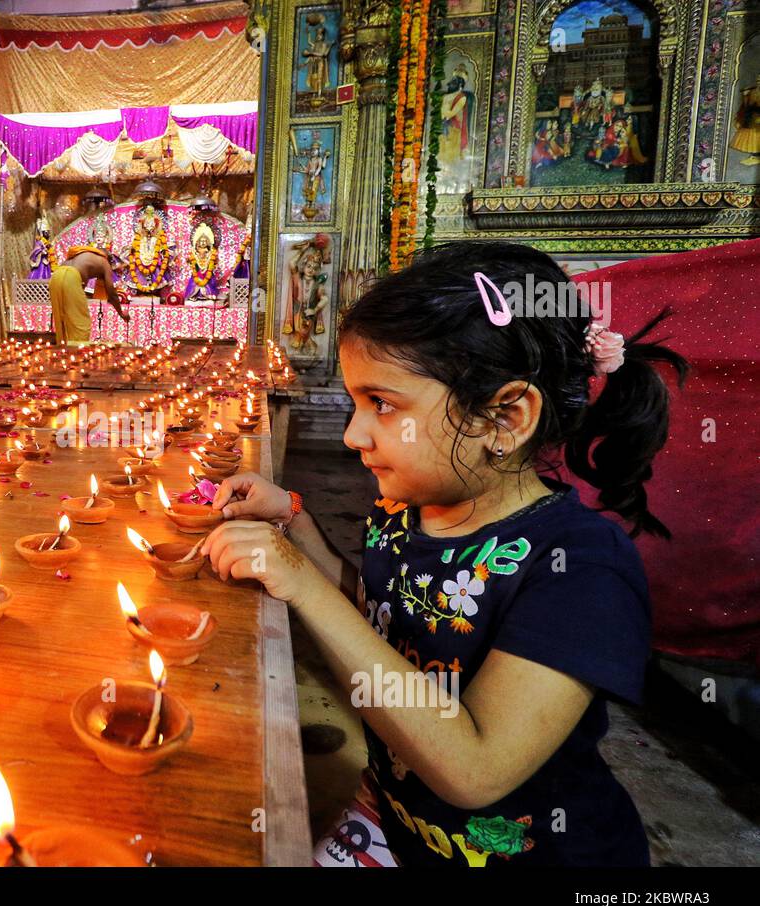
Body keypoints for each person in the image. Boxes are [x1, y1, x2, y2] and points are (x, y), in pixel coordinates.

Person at [200, 241, 689, 866]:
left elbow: (474, 769)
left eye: (382, 404)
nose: (354, 435)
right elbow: (377, 619)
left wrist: (301, 581)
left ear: (504, 418)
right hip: (397, 820)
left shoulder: (580, 567)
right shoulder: (407, 512)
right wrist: (294, 526)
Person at [48, 245, 127, 344]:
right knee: (82, 323)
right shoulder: (104, 262)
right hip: (70, 277)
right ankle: (78, 352)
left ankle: (64, 350)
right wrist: (121, 313)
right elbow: (111, 293)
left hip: (55, 276)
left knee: (63, 320)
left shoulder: (82, 255)